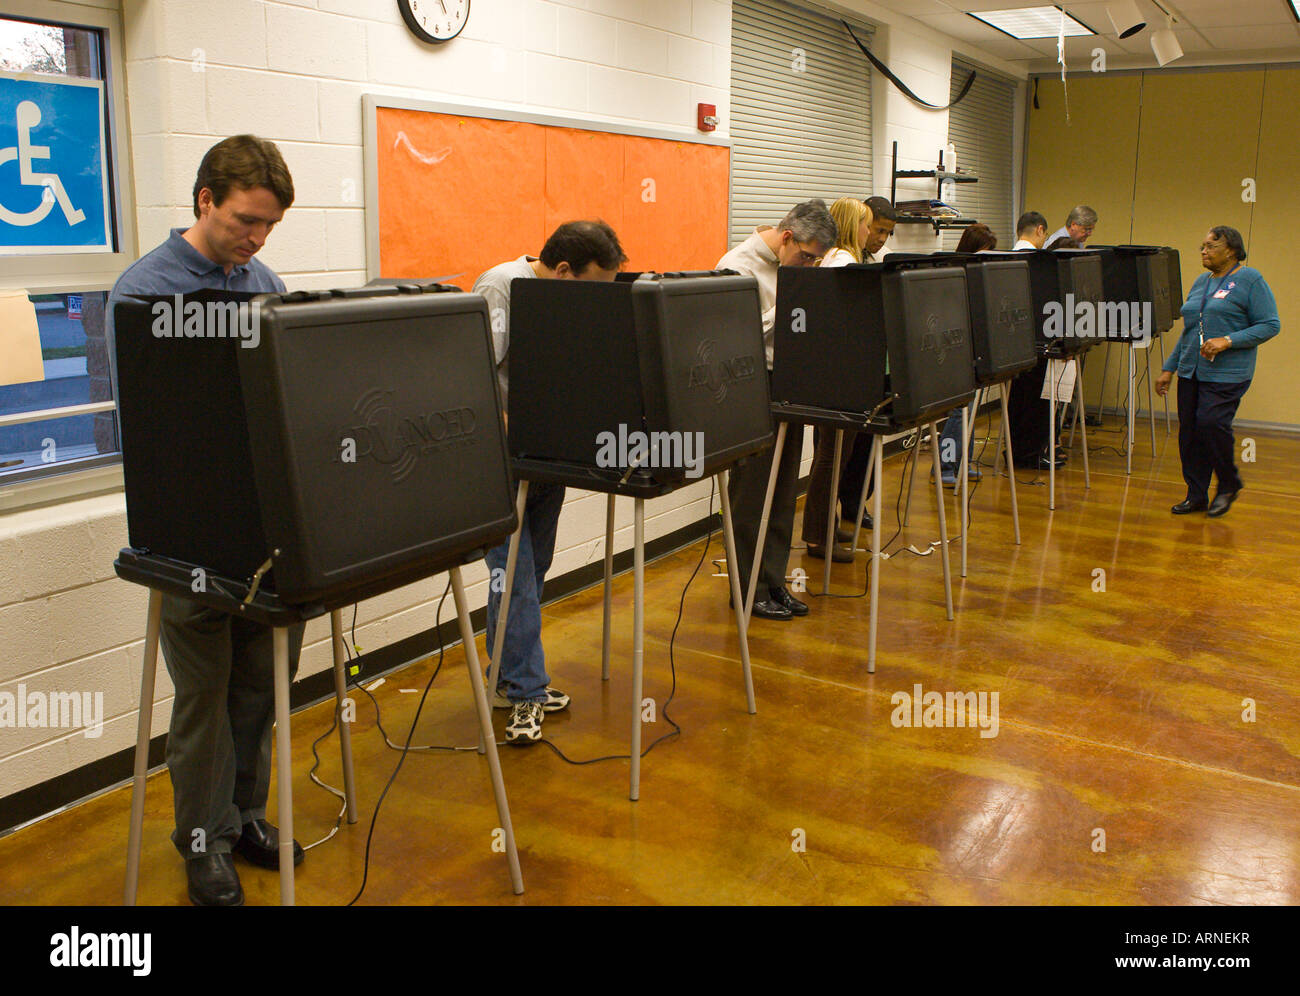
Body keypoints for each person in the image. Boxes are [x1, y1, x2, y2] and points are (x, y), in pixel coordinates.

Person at [106, 135, 299, 907]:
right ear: (204, 201)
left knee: (262, 681)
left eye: (267, 228)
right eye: (245, 221)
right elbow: (150, 426)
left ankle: (245, 816)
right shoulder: (143, 293)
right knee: (204, 694)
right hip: (190, 531)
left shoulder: (266, 282)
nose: (254, 240)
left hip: (267, 526)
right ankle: (202, 842)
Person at [473, 221, 626, 742]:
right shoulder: (501, 287)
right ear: (563, 270)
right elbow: (472, 373)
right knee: (512, 575)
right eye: (593, 286)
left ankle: (505, 675)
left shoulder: (562, 298)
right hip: (504, 460)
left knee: (530, 573)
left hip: (549, 453)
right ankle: (526, 691)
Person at [718, 200, 836, 619]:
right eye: (806, 256)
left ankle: (773, 581)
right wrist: (787, 304)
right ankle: (746, 590)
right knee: (752, 493)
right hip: (752, 388)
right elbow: (736, 337)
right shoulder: (736, 267)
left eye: (815, 261)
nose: (808, 266)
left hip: (788, 382)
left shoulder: (794, 266)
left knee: (785, 490)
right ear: (786, 237)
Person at [1156, 226, 1279, 517]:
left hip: (1227, 374)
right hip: (1191, 370)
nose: (1203, 251)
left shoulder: (1250, 279)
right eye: (1202, 246)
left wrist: (1228, 340)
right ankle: (1196, 494)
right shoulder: (1201, 281)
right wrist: (1168, 368)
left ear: (1232, 251)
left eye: (1211, 246)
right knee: (1190, 434)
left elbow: (1270, 325)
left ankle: (1228, 484)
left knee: (1210, 423)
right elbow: (1189, 330)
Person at [802, 197, 871, 561]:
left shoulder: (831, 260)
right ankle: (817, 537)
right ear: (851, 226)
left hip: (828, 371)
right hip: (839, 374)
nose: (868, 232)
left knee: (832, 454)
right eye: (865, 224)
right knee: (832, 456)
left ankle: (822, 527)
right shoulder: (843, 261)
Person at [1005, 235, 1081, 470]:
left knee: (1046, 404)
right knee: (1035, 404)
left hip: (1040, 350)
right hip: (1037, 352)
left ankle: (1041, 447)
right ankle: (1029, 452)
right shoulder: (1045, 279)